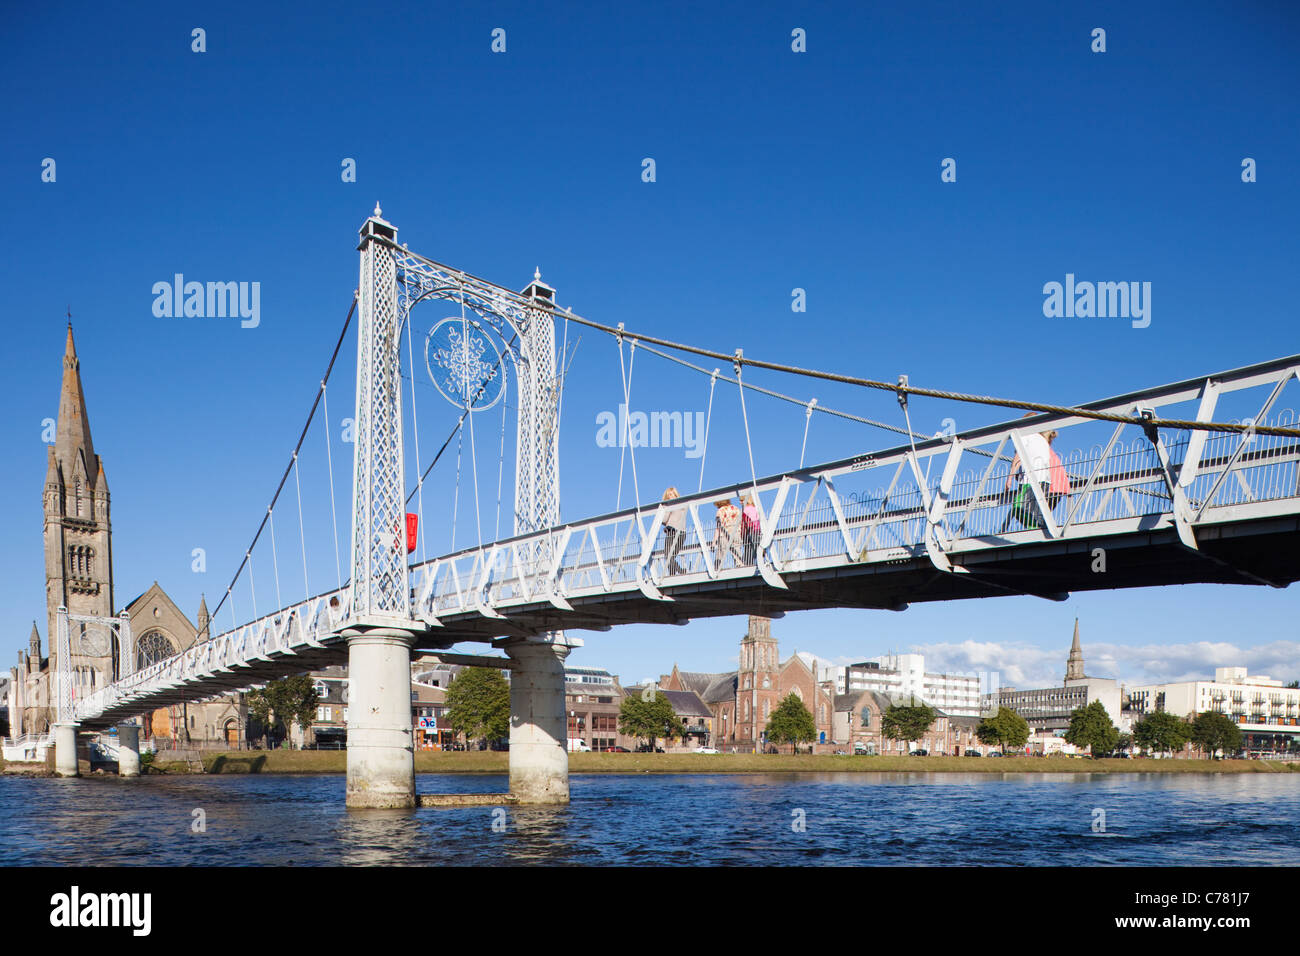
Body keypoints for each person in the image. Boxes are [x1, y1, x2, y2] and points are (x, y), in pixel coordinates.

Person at [1002, 413, 1054, 531]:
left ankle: (1034, 529)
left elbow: (1018, 457)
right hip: (1045, 480)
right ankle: (1041, 531)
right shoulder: (1043, 440)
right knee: (1038, 512)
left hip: (1030, 479)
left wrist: (1010, 478)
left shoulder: (1025, 436)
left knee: (1018, 507)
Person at [661, 486, 687, 575]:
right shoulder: (683, 506)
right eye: (668, 496)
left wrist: (662, 511)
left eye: (671, 495)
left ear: (675, 495)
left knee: (668, 556)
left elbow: (664, 520)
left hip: (671, 531)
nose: (669, 497)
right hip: (683, 533)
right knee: (671, 556)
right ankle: (674, 574)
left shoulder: (669, 505)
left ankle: (678, 571)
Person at [713, 498, 741, 568]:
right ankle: (739, 565)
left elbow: (718, 527)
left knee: (720, 553)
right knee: (737, 551)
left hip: (724, 534)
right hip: (736, 533)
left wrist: (714, 541)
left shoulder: (720, 511)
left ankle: (717, 568)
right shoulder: (736, 508)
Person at [740, 493, 761, 565]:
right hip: (757, 530)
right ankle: (756, 563)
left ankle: (748, 564)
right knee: (755, 548)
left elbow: (750, 520)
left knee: (748, 548)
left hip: (750, 531)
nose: (740, 502)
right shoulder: (755, 508)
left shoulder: (746, 509)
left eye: (742, 500)